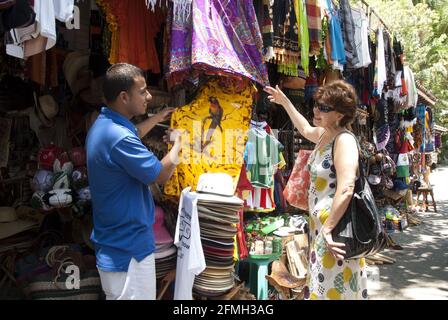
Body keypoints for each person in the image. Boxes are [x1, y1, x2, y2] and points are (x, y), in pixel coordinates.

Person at [265, 80, 368, 300]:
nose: (316, 110)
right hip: (320, 229)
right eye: (316, 105)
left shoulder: (344, 141)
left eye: (323, 107)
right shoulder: (325, 135)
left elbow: (347, 187)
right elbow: (303, 128)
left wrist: (328, 229)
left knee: (335, 289)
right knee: (322, 287)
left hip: (335, 230)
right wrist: (285, 102)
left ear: (340, 114)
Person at [86, 63, 181, 300]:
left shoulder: (105, 126)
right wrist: (181, 145)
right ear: (124, 97)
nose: (148, 96)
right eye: (143, 91)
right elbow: (159, 174)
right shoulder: (118, 137)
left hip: (115, 245)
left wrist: (158, 118)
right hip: (128, 250)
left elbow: (132, 134)